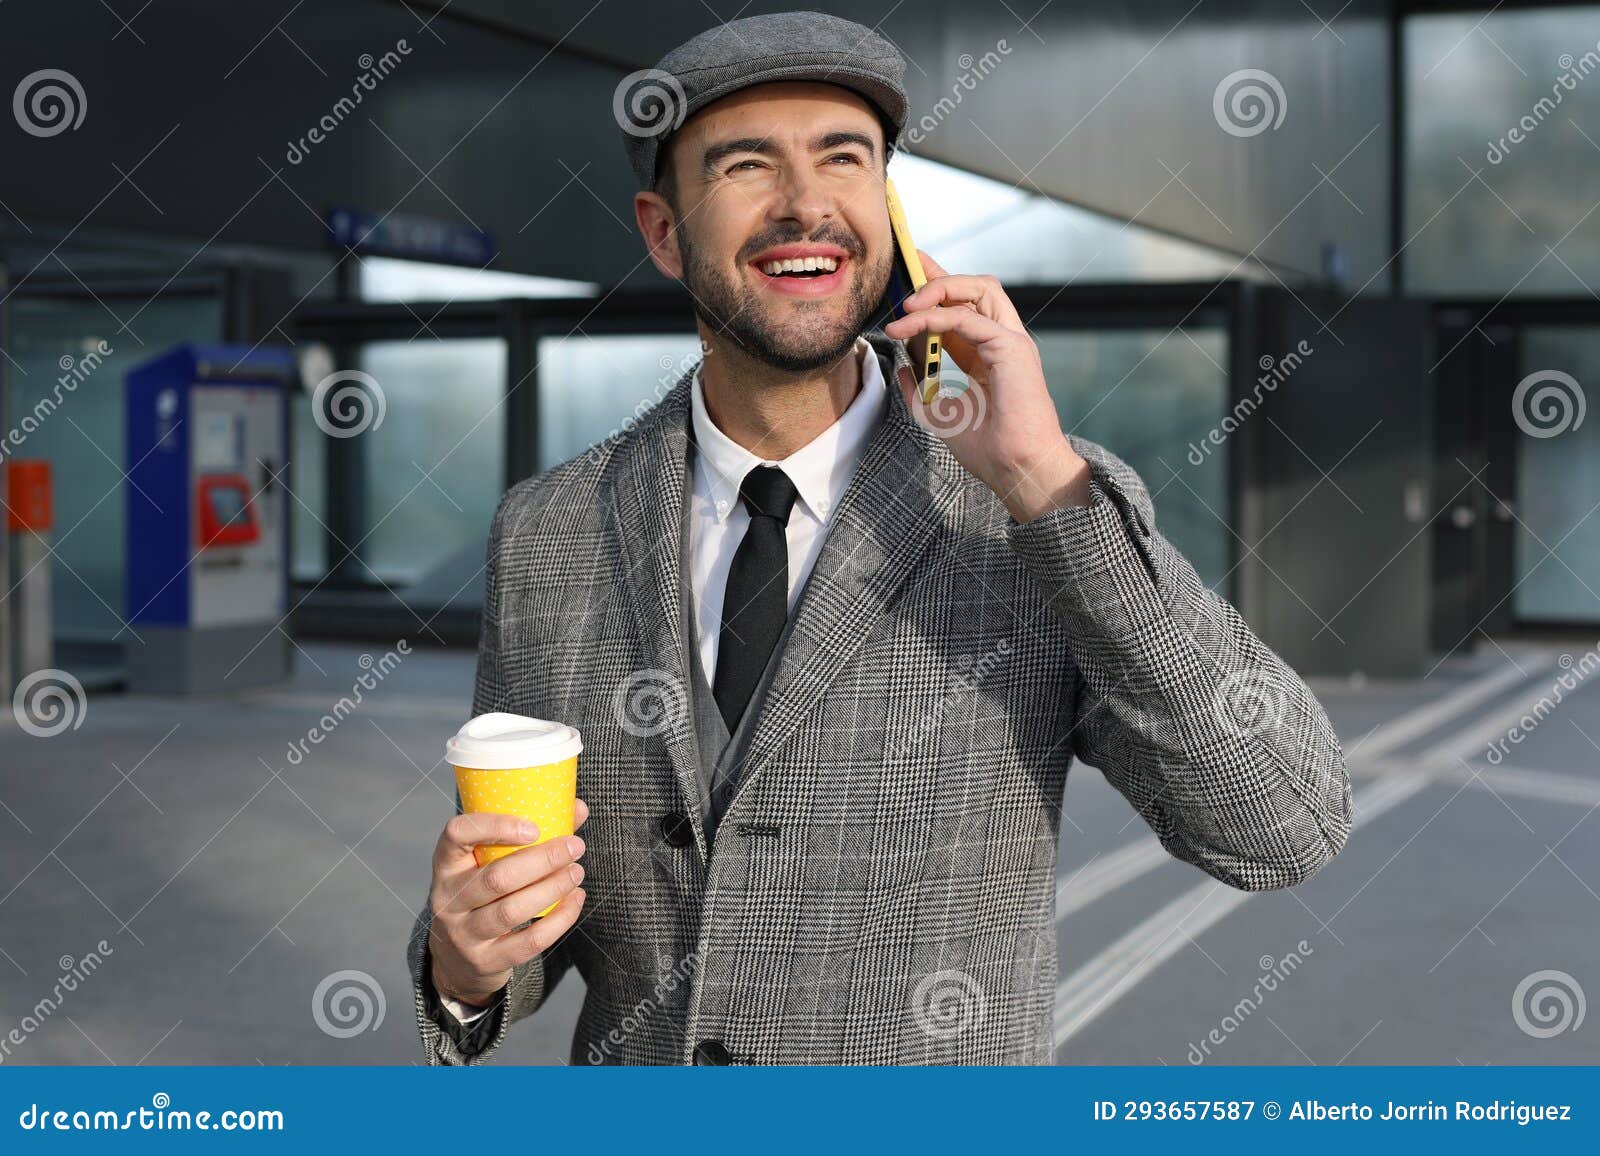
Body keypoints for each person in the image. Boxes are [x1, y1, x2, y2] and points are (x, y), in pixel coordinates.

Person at [406, 10, 1351, 1066]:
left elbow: (1279, 825)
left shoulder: (1035, 510)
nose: (805, 203)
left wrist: (1041, 477)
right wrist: (462, 964)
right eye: (747, 164)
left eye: (842, 159)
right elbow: (528, 900)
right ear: (663, 232)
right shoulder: (549, 532)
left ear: (889, 213)